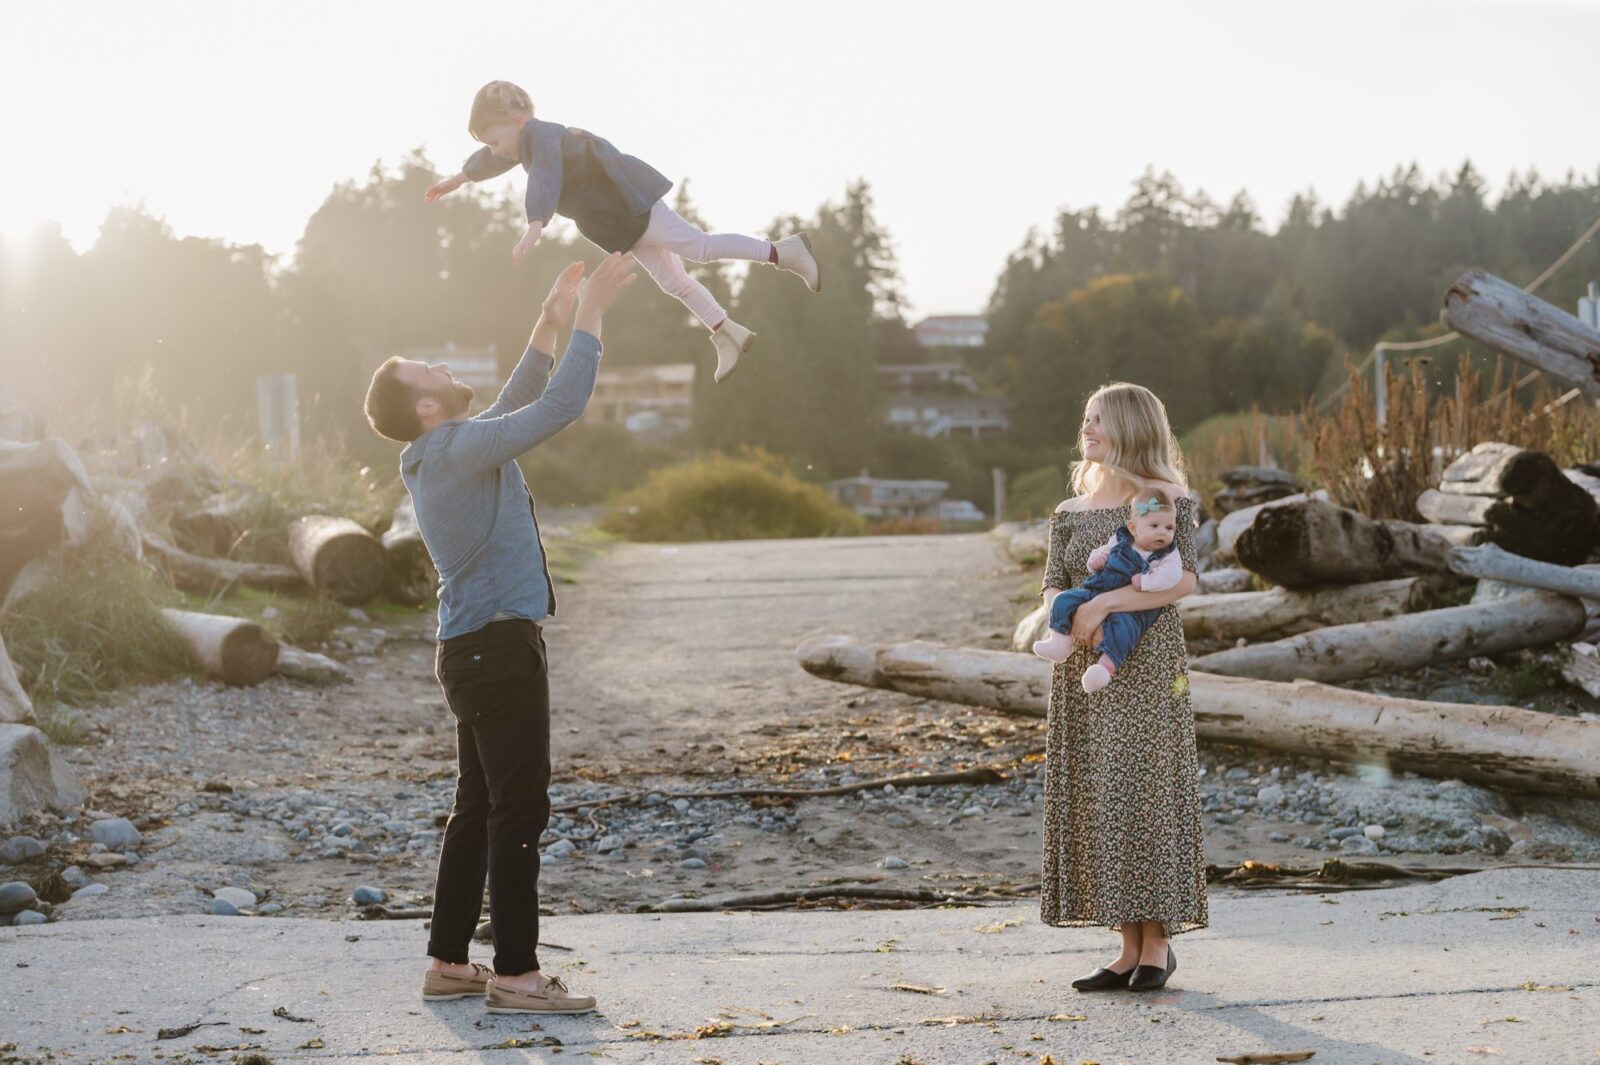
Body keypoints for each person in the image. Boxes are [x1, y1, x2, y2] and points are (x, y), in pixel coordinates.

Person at [362, 252, 637, 1014]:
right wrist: (591, 319)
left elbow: (514, 405)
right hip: (498, 649)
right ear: (426, 406)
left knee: (479, 809)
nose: (447, 366)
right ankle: (516, 974)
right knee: (519, 811)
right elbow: (554, 410)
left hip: (471, 650)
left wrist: (547, 325)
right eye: (432, 369)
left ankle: (450, 962)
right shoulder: (452, 450)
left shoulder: (442, 451)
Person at [425, 80, 822, 384]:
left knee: (700, 248)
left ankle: (783, 252)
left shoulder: (540, 136)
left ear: (516, 121)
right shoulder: (523, 143)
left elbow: (544, 176)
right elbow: (493, 161)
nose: (496, 151)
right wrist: (459, 178)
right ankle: (727, 332)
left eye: (495, 140)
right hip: (622, 225)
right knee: (674, 282)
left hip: (634, 205)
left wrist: (535, 224)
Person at [1038, 381, 1208, 994]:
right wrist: (1070, 611)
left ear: (1131, 428)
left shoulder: (1166, 499)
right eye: (1085, 418)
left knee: (1147, 794)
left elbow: (1184, 580)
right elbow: (1053, 585)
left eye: (1099, 420)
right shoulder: (1069, 515)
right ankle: (1126, 946)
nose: (1087, 429)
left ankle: (1157, 943)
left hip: (1150, 670)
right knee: (1104, 798)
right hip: (1084, 675)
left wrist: (1105, 602)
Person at [1032, 485, 1183, 693]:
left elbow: (1175, 576)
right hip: (1096, 589)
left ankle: (1105, 667)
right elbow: (1057, 577)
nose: (1162, 533)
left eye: (1169, 528)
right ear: (1133, 528)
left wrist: (1146, 582)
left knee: (1123, 632)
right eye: (1154, 525)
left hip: (1132, 611)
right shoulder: (1121, 539)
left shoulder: (1167, 553)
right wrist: (1098, 559)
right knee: (1063, 600)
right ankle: (1060, 640)